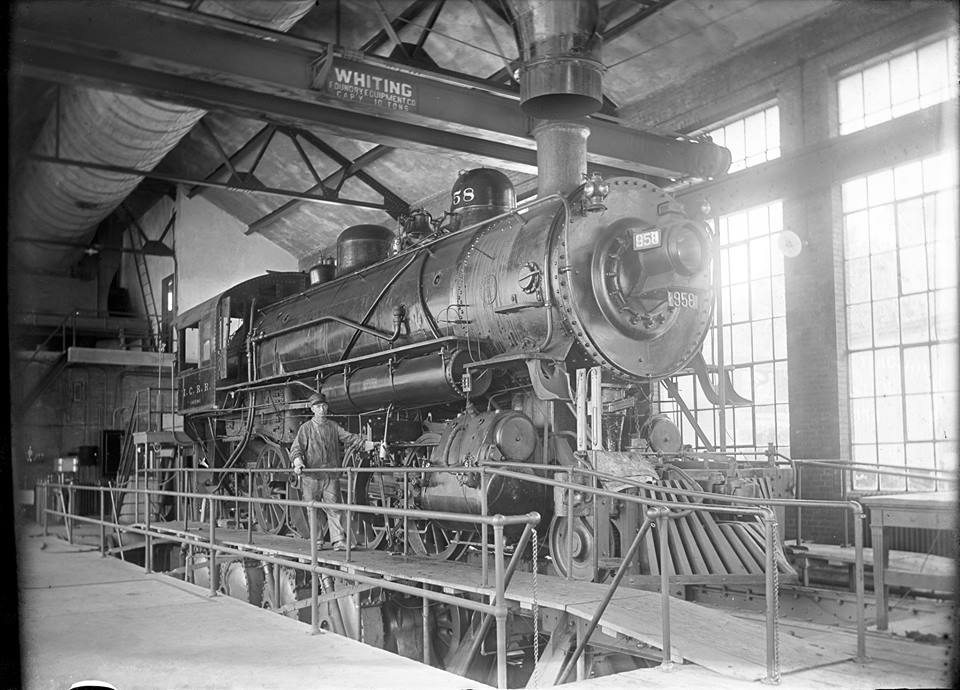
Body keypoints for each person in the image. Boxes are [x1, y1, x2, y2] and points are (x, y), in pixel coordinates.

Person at [290, 393, 375, 550]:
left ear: (327, 407)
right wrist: (298, 462)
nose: (322, 409)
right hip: (312, 477)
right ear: (312, 409)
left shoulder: (333, 427)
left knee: (335, 508)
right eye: (318, 407)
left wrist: (369, 445)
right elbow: (296, 449)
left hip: (330, 475)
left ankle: (338, 541)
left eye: (324, 406)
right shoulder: (305, 429)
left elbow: (349, 439)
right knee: (313, 509)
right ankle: (317, 541)